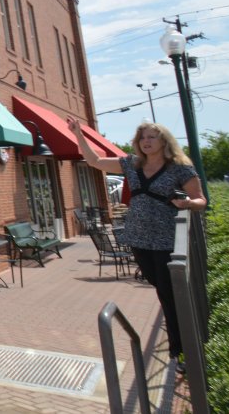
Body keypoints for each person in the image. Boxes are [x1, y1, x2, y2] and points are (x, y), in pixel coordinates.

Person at [68, 117, 206, 372]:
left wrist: (186, 203)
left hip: (167, 239)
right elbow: (95, 162)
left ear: (164, 140)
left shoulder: (179, 168)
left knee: (169, 292)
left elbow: (201, 200)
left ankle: (181, 350)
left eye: (152, 137)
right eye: (142, 138)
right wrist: (78, 134)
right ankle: (184, 341)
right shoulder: (132, 165)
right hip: (139, 239)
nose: (146, 142)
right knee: (160, 287)